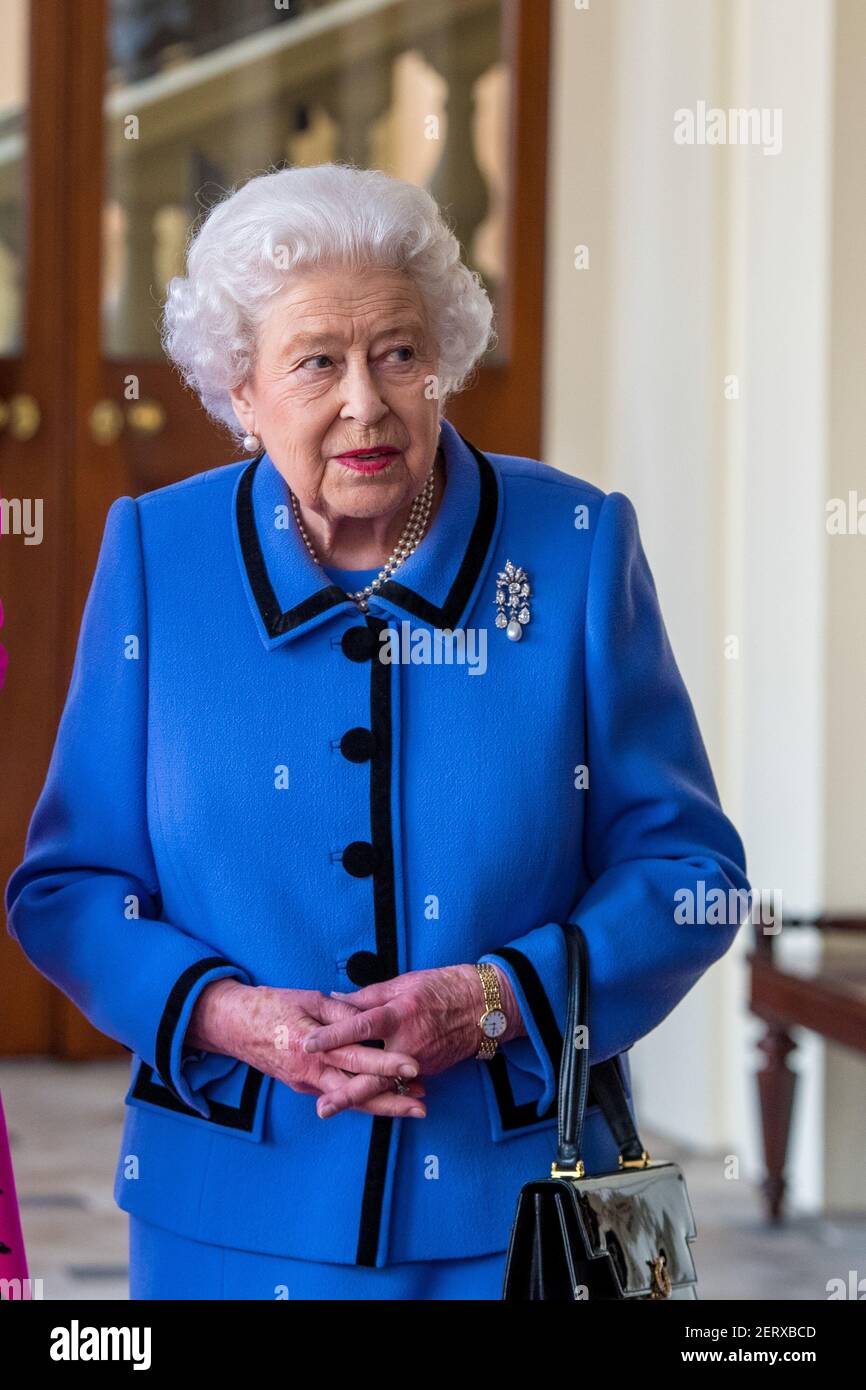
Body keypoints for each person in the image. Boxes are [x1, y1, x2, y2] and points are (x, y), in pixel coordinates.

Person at [5, 162, 750, 1300]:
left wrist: (498, 997)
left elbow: (685, 870)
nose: (365, 400)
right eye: (316, 361)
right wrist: (227, 1014)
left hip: (522, 1217)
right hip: (232, 1208)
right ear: (239, 390)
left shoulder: (575, 542)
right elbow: (71, 886)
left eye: (397, 352)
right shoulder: (160, 553)